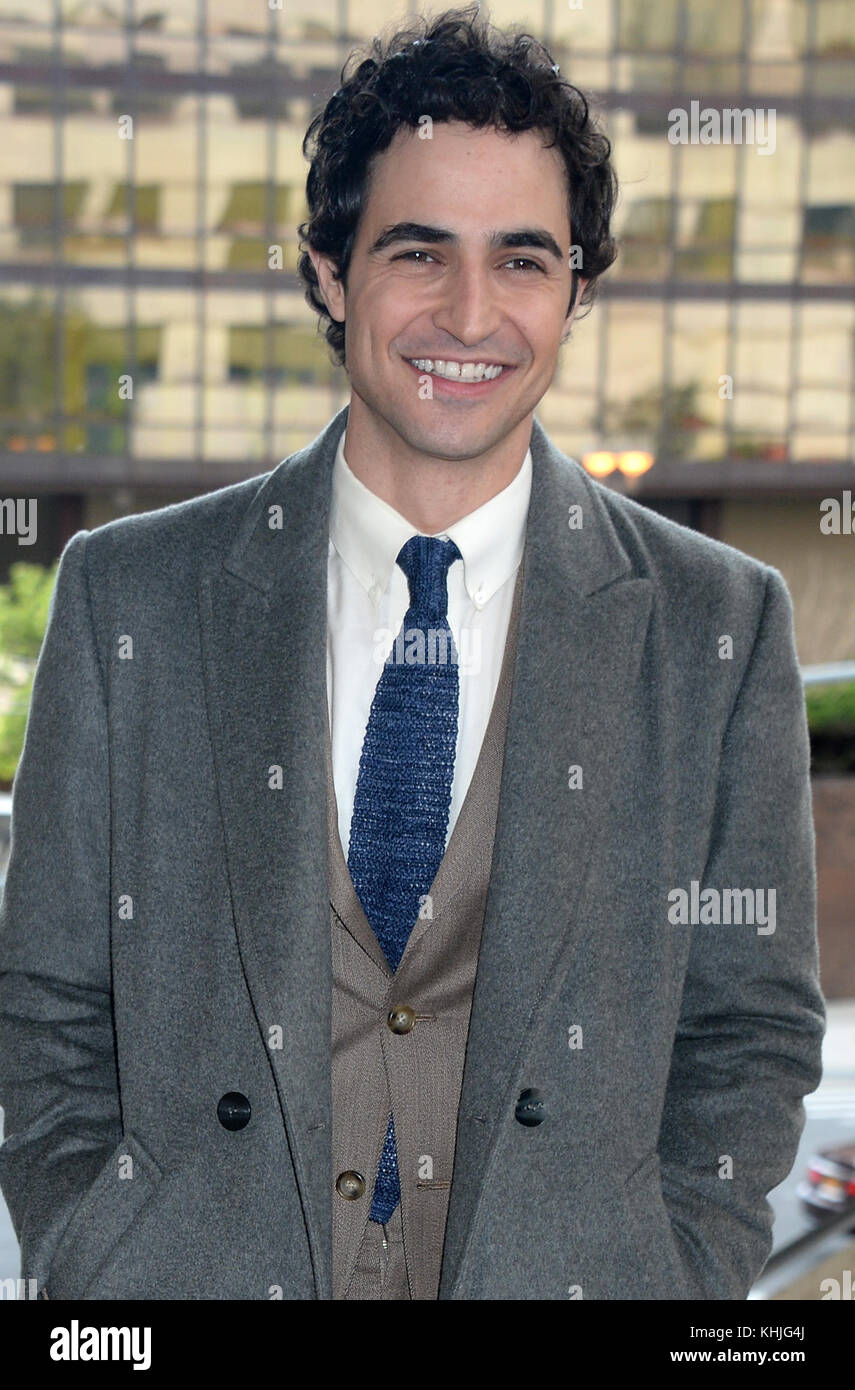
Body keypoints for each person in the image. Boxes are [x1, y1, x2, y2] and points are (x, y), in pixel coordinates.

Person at [0, 6, 825, 1301]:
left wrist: (678, 1266)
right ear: (330, 272)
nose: (470, 312)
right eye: (418, 251)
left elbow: (752, 1025)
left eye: (524, 260)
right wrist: (102, 1259)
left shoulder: (720, 625)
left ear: (578, 292)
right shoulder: (132, 599)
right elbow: (41, 995)